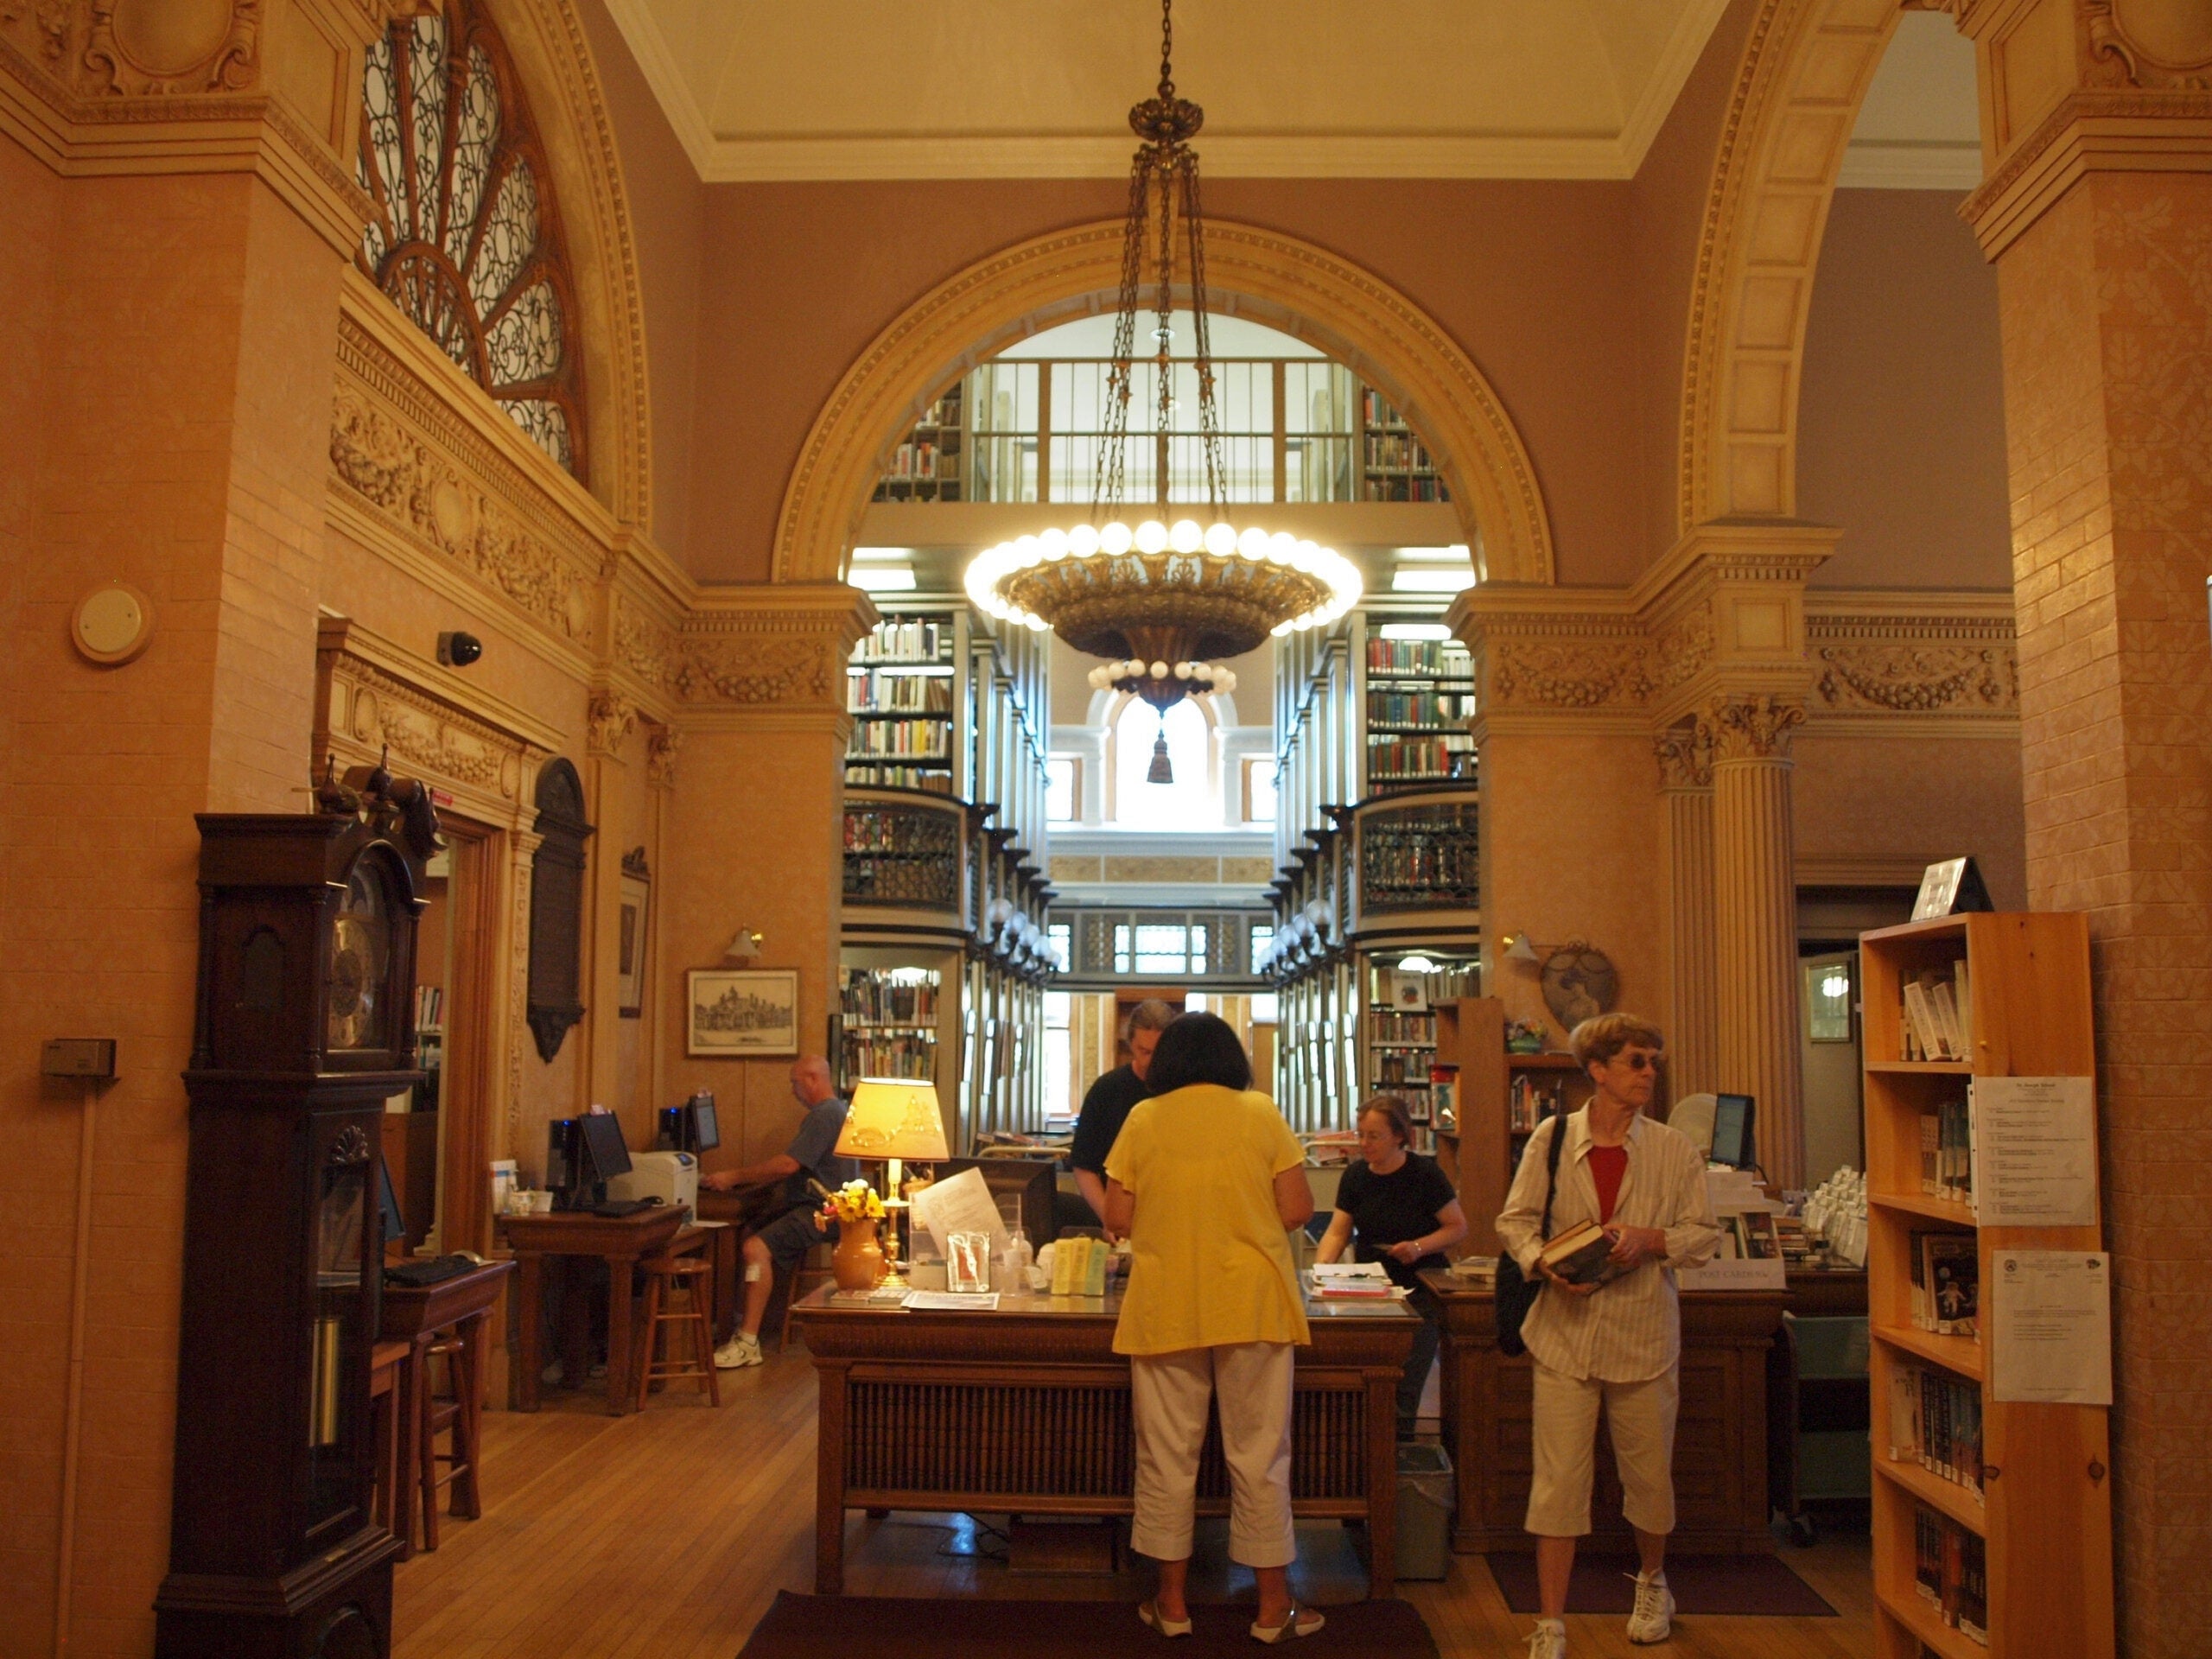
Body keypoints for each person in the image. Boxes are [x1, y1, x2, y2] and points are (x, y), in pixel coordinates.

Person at [1495, 1014, 1719, 1659]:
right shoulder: (1553, 1137)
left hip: (1643, 1336)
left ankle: (1652, 1582)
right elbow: (1514, 1222)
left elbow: (1702, 1236)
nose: (1650, 1073)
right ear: (1597, 1069)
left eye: (1654, 1061)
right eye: (1636, 1062)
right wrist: (1544, 1264)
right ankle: (1551, 1621)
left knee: (1647, 1478)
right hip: (1564, 1335)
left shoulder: (1673, 1149)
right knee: (1558, 1481)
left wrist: (1652, 1241)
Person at [1103, 1013, 1325, 1644]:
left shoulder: (1144, 1119)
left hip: (1166, 1301)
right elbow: (1298, 1209)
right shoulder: (1260, 1112)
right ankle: (1272, 1607)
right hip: (1252, 1300)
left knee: (1167, 1456)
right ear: (1231, 1059)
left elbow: (1118, 1215)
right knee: (1260, 1455)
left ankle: (1172, 1604)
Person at [1313, 1094, 1468, 1439]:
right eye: (1360, 1135)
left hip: (1420, 1293)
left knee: (1404, 1391)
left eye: (1374, 1136)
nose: (1364, 1144)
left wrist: (1417, 1247)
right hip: (1372, 1294)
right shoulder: (1355, 1176)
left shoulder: (1424, 1174)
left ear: (1399, 1136)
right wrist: (1320, 1270)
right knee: (1367, 1385)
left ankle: (1399, 1460)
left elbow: (1458, 1227)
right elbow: (1338, 1232)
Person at [701, 1055, 861, 1370]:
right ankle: (741, 1316)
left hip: (822, 1212)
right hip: (822, 1207)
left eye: (795, 1082)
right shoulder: (836, 1110)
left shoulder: (825, 1114)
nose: (793, 1090)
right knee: (749, 1230)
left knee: (754, 1247)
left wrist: (732, 1176)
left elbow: (789, 1165)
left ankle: (748, 1340)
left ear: (813, 1079)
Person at [1070, 998, 1176, 1235]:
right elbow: (1084, 1166)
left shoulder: (1184, 1091)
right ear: (1130, 1043)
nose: (1152, 1061)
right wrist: (1109, 1218)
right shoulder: (1107, 1089)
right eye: (1144, 1051)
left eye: (1160, 1052)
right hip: (1120, 1220)